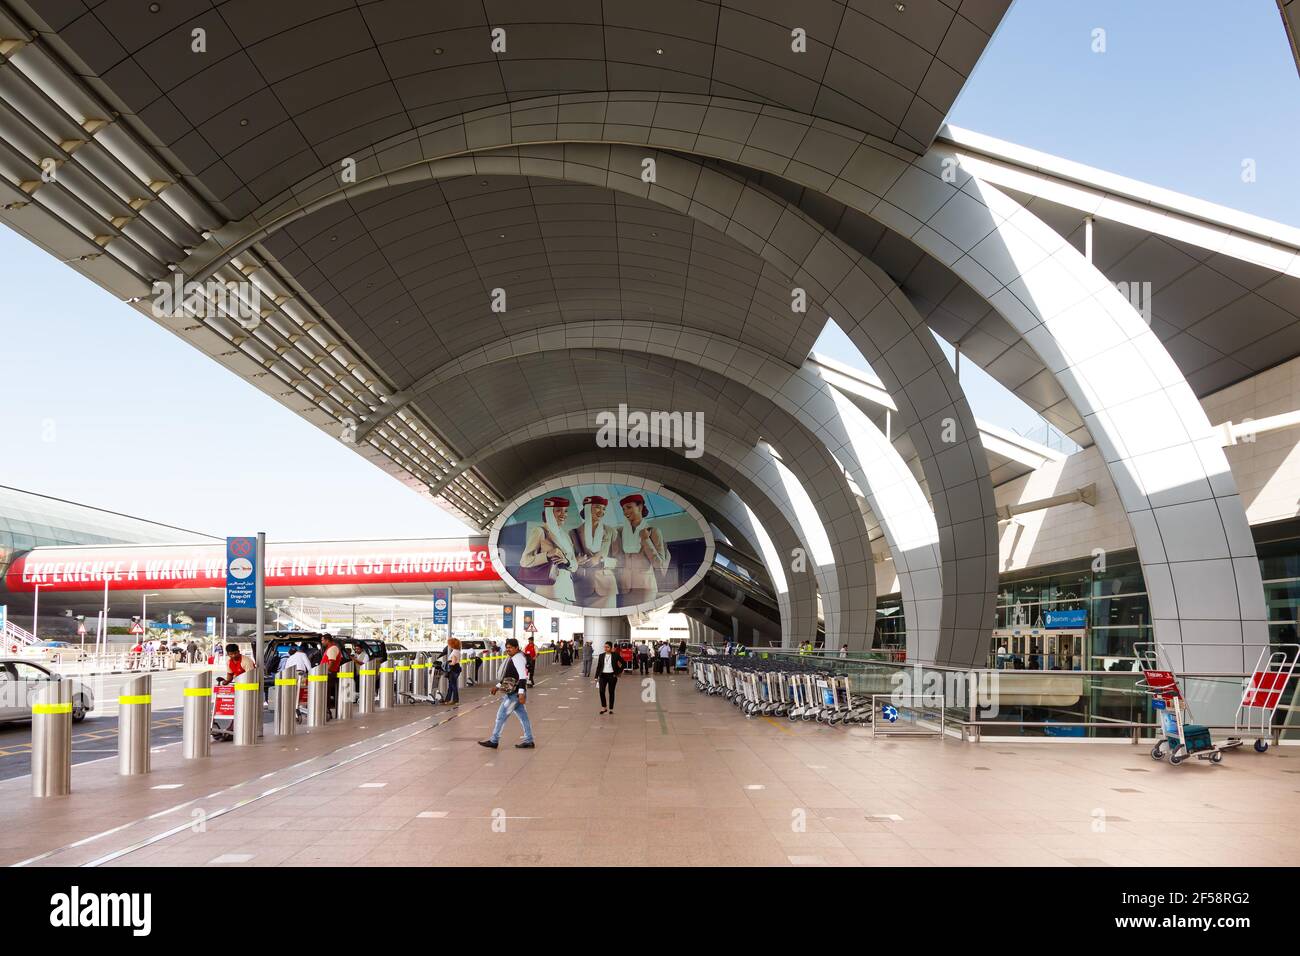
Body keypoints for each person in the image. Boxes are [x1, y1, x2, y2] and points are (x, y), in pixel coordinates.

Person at [610, 494, 670, 607]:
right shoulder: (619, 532)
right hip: (625, 588)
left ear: (640, 507)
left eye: (629, 507)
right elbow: (617, 559)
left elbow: (659, 564)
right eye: (623, 509)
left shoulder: (653, 531)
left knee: (643, 618)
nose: (625, 512)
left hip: (645, 588)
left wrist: (646, 540)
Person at [478, 638, 535, 750]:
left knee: (501, 716)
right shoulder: (515, 657)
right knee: (523, 717)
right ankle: (529, 740)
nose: (508, 650)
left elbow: (522, 677)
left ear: (516, 648)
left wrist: (521, 693)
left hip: (514, 695)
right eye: (507, 647)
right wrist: (498, 686)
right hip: (515, 693)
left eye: (510, 648)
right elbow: (509, 675)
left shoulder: (518, 658)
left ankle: (494, 741)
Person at [518, 496, 577, 603]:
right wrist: (547, 554)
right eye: (559, 510)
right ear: (549, 512)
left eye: (565, 511)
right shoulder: (540, 531)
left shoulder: (566, 536)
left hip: (567, 590)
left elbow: (575, 566)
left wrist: (567, 562)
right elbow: (524, 561)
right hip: (549, 589)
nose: (563, 514)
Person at [571, 495, 618, 608]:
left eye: (604, 509)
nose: (601, 512)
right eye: (598, 507)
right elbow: (569, 561)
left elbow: (620, 560)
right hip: (581, 587)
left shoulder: (611, 531)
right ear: (587, 508)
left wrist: (601, 560)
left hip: (606, 587)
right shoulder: (573, 533)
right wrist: (575, 561)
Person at [592, 640, 624, 715]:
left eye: (607, 647)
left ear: (611, 647)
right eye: (605, 647)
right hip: (602, 676)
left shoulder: (615, 655)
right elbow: (599, 667)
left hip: (612, 676)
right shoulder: (601, 656)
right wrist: (596, 677)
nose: (605, 648)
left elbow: (623, 663)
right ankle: (604, 707)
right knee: (601, 691)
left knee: (611, 692)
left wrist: (618, 672)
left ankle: (611, 708)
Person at [444, 637, 462, 705]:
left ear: (452, 644)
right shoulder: (458, 651)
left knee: (453, 685)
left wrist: (448, 663)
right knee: (452, 685)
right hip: (457, 668)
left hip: (453, 669)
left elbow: (453, 662)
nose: (448, 645)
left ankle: (455, 700)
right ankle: (447, 700)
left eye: (449, 644)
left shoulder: (454, 652)